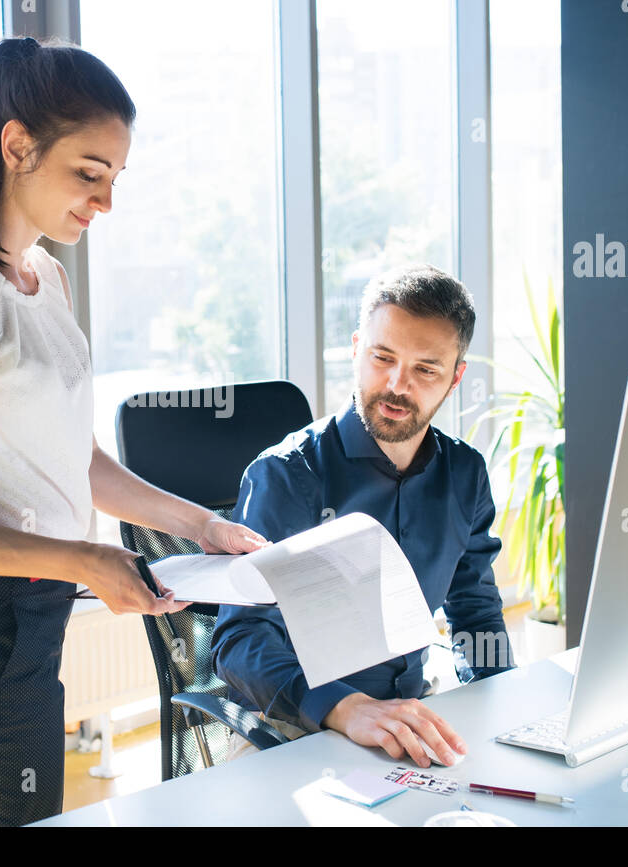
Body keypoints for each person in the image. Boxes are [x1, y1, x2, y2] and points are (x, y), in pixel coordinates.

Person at [0, 36, 267, 827]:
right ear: (16, 146)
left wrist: (201, 525)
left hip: (31, 613)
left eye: (116, 178)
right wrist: (86, 558)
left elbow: (76, 456)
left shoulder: (43, 276)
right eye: (90, 174)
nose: (107, 201)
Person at [212, 265, 515, 768]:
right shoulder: (288, 475)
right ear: (356, 348)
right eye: (383, 357)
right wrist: (347, 708)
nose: (398, 385)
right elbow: (240, 640)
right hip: (290, 727)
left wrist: (503, 700)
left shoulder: (464, 473)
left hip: (406, 721)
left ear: (456, 376)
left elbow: (475, 611)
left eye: (426, 369)